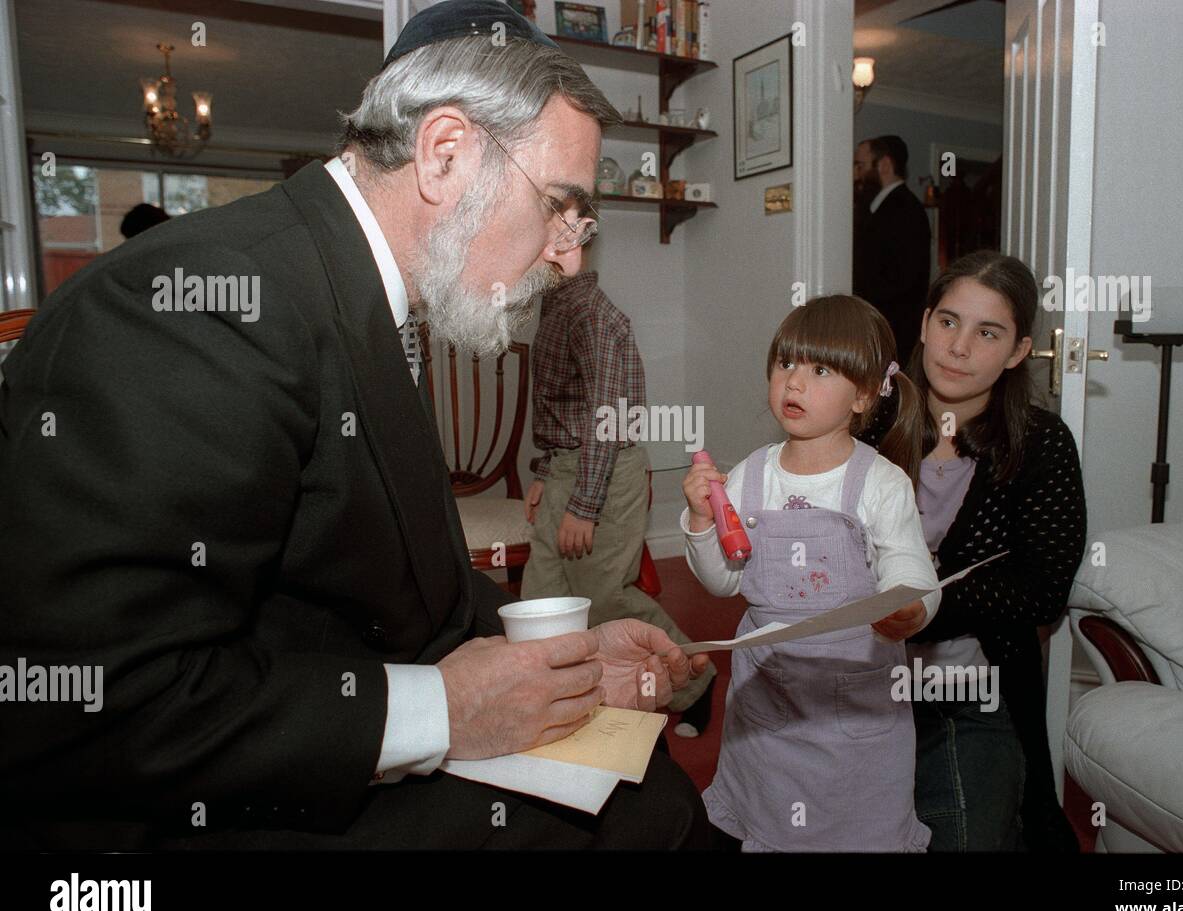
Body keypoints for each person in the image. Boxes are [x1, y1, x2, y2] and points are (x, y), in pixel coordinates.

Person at [0, 0, 714, 851]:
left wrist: (570, 661)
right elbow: (99, 708)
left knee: (651, 794)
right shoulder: (201, 306)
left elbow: (403, 592)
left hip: (306, 717)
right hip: (192, 805)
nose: (570, 252)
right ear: (444, 153)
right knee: (651, 822)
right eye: (561, 206)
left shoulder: (370, 300)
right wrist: (445, 712)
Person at [681, 296, 940, 851]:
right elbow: (722, 581)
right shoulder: (751, 475)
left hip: (854, 696)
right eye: (785, 365)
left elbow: (910, 565)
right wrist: (704, 523)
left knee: (856, 822)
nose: (794, 383)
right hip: (767, 695)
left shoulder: (880, 482)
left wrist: (909, 607)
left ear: (865, 395)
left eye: (819, 370)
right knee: (770, 814)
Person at [857, 250, 1087, 851]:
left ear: (1016, 352)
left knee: (963, 839)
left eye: (988, 333)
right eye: (949, 321)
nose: (959, 348)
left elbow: (1041, 590)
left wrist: (919, 604)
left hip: (970, 695)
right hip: (860, 685)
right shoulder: (868, 426)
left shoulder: (1041, 444)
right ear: (926, 323)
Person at [522, 263, 718, 735]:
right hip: (569, 467)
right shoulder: (555, 304)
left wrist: (584, 505)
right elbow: (565, 404)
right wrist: (549, 472)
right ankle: (562, 704)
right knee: (542, 598)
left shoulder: (596, 317)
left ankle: (695, 678)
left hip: (605, 474)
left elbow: (609, 419)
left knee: (606, 597)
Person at [852, 135, 931, 364]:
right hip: (876, 332)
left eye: (861, 166)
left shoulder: (906, 210)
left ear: (884, 165)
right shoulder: (875, 208)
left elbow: (903, 280)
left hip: (894, 336)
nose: (856, 174)